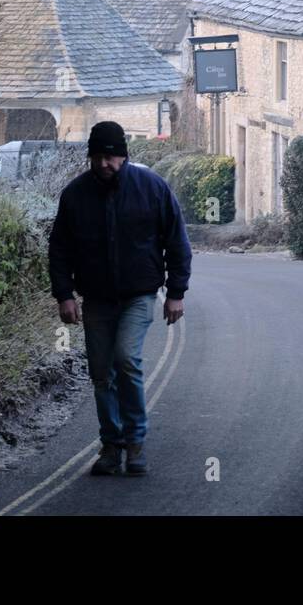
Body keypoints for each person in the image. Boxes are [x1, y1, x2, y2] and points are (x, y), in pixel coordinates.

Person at [48, 121, 191, 476]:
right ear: (90, 157)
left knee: (126, 359)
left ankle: (136, 442)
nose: (103, 163)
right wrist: (64, 295)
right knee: (101, 373)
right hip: (96, 298)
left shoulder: (152, 188)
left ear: (124, 156)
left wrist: (175, 294)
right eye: (97, 156)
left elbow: (176, 242)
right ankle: (111, 446)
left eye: (111, 156)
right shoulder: (75, 195)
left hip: (139, 295)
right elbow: (60, 250)